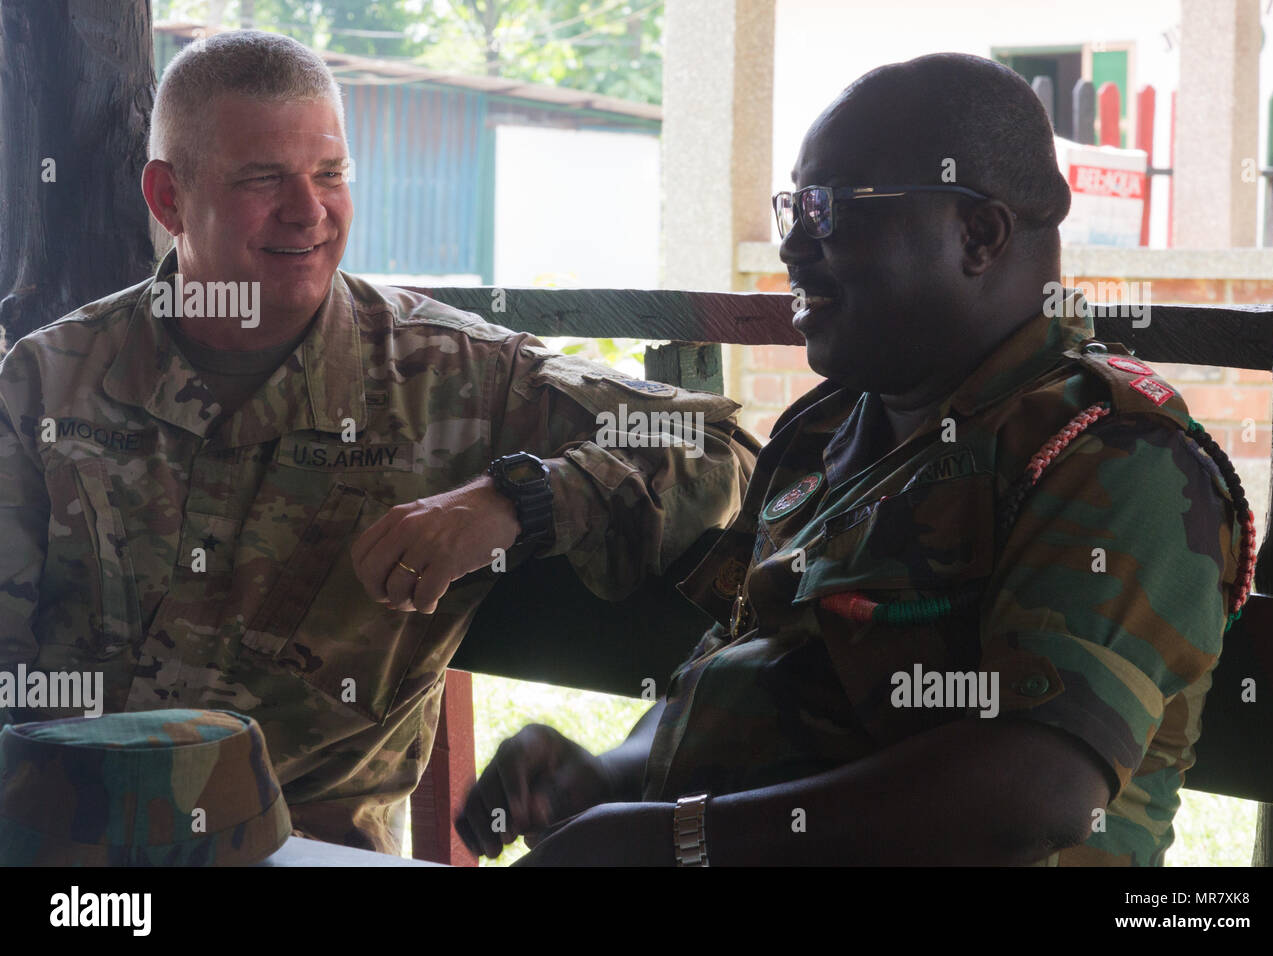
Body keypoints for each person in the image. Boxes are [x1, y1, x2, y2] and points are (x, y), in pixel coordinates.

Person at [455, 53, 1253, 866]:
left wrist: (678, 840)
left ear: (978, 234)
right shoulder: (826, 430)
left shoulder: (1114, 457)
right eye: (794, 206)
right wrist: (603, 778)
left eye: (832, 208)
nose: (795, 244)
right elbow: (740, 658)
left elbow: (1033, 793)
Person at [0, 30, 755, 856]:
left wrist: (518, 501)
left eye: (330, 175)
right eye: (263, 179)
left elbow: (714, 441)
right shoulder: (51, 382)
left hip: (305, 848)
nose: (308, 210)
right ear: (169, 198)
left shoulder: (446, 373)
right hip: (67, 840)